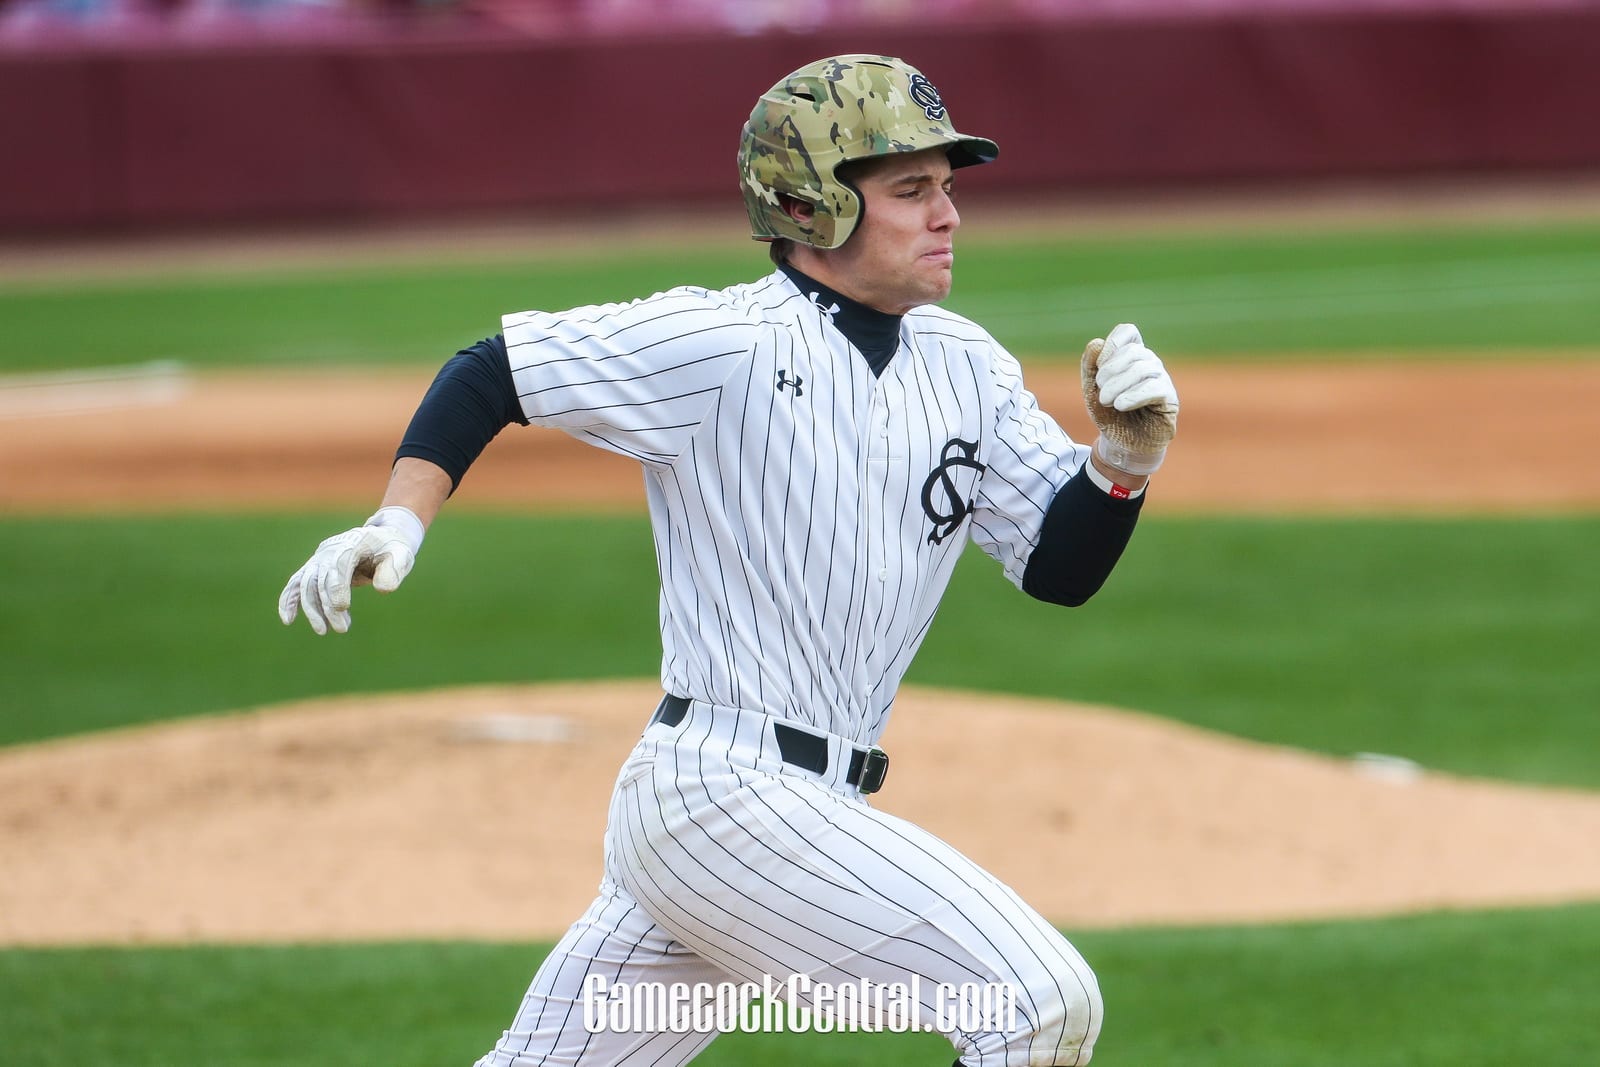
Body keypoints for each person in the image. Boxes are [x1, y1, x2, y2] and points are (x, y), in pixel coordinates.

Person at [278, 53, 1178, 1067]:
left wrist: (1120, 461)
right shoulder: (726, 342)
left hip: (777, 823)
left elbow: (1059, 569)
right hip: (722, 799)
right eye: (910, 189)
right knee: (1038, 1000)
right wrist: (398, 521)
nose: (947, 215)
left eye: (949, 188)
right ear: (810, 205)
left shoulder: (965, 363)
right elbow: (494, 370)